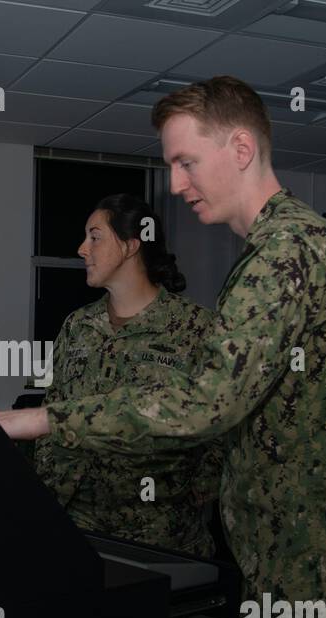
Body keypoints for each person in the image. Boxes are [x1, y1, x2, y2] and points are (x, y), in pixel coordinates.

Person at [0, 76, 326, 618]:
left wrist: (39, 417)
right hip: (312, 559)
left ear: (241, 148)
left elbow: (206, 401)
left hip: (315, 564)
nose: (179, 183)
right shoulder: (288, 247)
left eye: (186, 162)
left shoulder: (288, 251)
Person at [33, 193, 223, 563]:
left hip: (158, 531)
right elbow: (52, 407)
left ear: (131, 245)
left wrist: (200, 487)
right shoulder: (79, 325)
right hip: (76, 521)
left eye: (95, 236)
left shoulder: (195, 328)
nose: (82, 248)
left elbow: (224, 419)